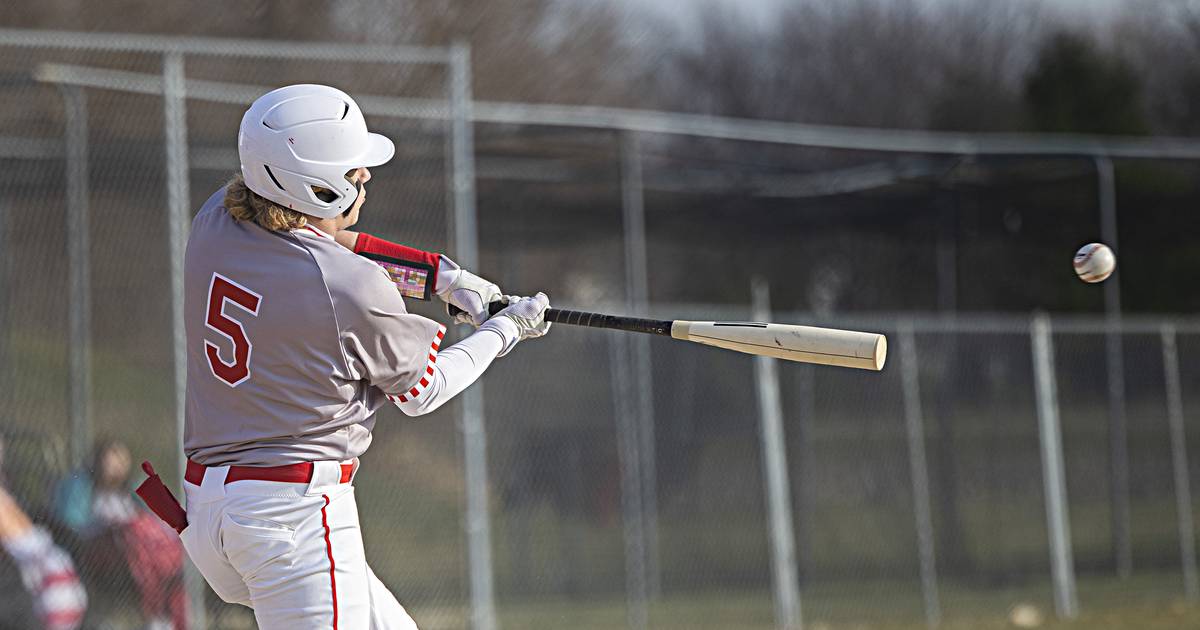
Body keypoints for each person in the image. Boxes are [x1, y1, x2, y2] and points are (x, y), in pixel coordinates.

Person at [174, 83, 551, 629]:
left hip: (212, 511)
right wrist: (504, 331)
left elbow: (318, 240)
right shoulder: (353, 289)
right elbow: (425, 392)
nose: (364, 178)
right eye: (351, 172)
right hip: (294, 519)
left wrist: (442, 278)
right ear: (316, 186)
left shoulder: (215, 222)